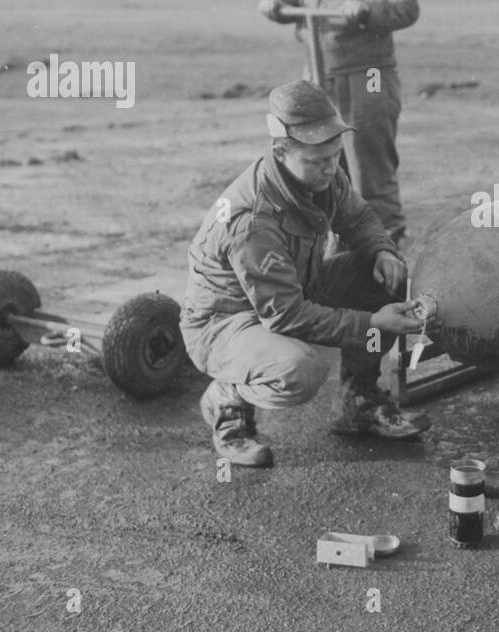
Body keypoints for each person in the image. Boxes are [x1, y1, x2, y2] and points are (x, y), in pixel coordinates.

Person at [181, 81, 430, 468]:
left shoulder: (319, 174)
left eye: (335, 155)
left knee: (380, 275)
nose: (331, 167)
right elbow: (286, 315)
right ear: (281, 151)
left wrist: (382, 251)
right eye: (319, 161)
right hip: (225, 323)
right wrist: (371, 323)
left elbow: (358, 217)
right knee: (301, 369)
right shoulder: (253, 220)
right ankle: (228, 402)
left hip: (291, 291)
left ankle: (358, 403)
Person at [259, 0, 418, 247]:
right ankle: (333, 264)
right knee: (319, 170)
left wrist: (368, 8)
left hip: (368, 79)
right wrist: (277, 4)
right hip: (318, 80)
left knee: (370, 177)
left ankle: (384, 259)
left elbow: (407, 8)